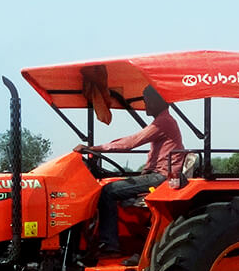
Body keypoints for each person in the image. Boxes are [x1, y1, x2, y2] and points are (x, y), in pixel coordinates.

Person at [76, 85, 183, 258]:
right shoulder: (162, 121)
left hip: (161, 177)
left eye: (147, 99)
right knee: (110, 185)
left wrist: (93, 148)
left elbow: (130, 143)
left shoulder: (164, 122)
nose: (145, 103)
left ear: (159, 100)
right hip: (155, 175)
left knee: (108, 191)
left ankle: (110, 245)